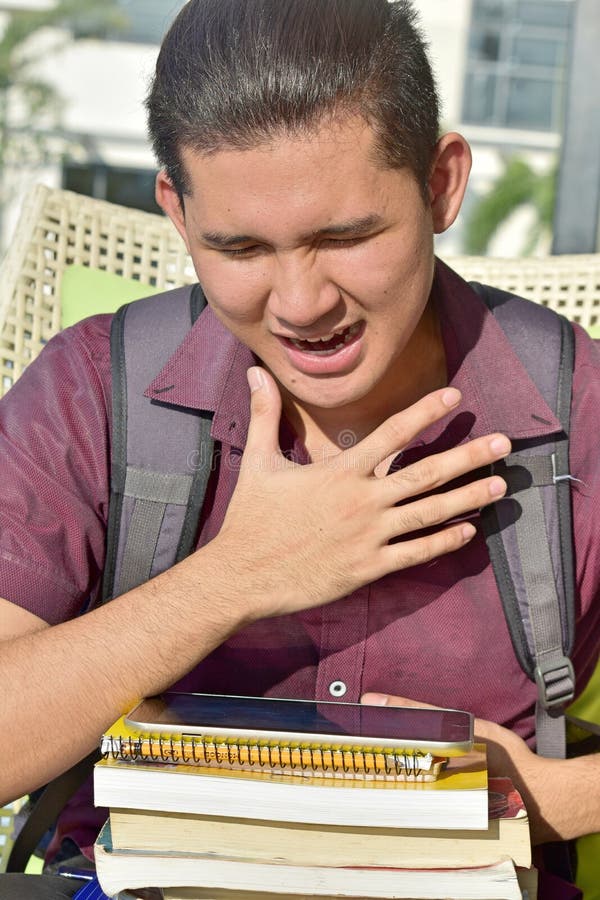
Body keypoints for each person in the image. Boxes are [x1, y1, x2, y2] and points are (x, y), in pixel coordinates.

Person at [0, 0, 597, 897]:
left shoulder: (577, 410)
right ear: (176, 211)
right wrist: (239, 575)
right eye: (238, 247)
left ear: (441, 185)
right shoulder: (94, 391)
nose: (300, 304)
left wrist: (554, 796)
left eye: (345, 237)